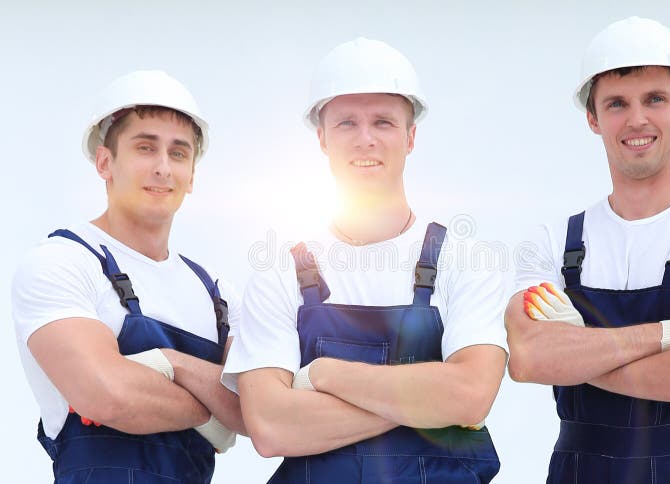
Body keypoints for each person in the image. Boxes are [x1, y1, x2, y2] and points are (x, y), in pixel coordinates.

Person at [222, 37, 507, 483]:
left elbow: (470, 396)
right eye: (346, 123)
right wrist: (430, 403)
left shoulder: (467, 260)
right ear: (322, 138)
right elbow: (271, 427)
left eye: (383, 122)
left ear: (410, 137)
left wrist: (324, 374)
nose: (365, 139)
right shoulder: (280, 270)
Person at [505, 17, 670, 483]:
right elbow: (528, 359)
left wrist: (580, 355)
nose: (636, 120)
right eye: (616, 103)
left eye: (655, 99)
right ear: (593, 118)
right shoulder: (552, 240)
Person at [12, 70, 243, 483]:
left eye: (178, 153)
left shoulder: (215, 295)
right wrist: (212, 412)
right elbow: (107, 395)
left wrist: (169, 364)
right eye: (145, 148)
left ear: (192, 175)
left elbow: (255, 411)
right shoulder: (63, 262)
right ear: (105, 162)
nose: (163, 168)